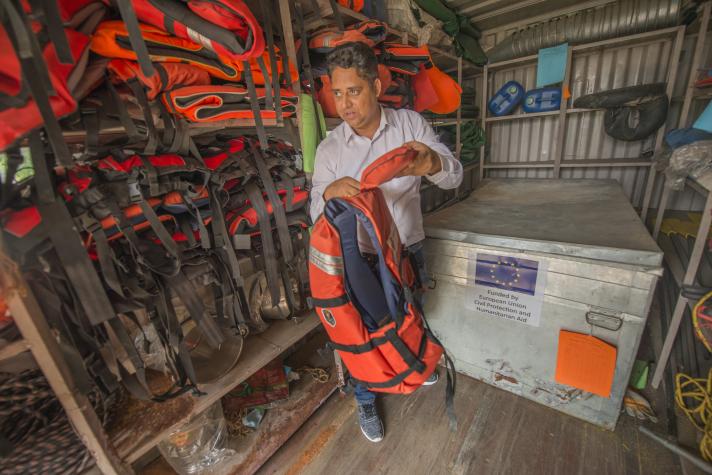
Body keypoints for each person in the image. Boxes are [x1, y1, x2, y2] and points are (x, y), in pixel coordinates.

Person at [309, 42, 463, 443]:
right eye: (337, 93)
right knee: (362, 337)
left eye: (354, 91)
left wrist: (433, 163)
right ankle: (364, 399)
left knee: (411, 314)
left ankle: (412, 364)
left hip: (407, 248)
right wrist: (328, 196)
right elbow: (313, 211)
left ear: (376, 87)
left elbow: (454, 175)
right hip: (360, 261)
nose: (345, 104)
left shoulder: (411, 126)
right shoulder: (330, 149)